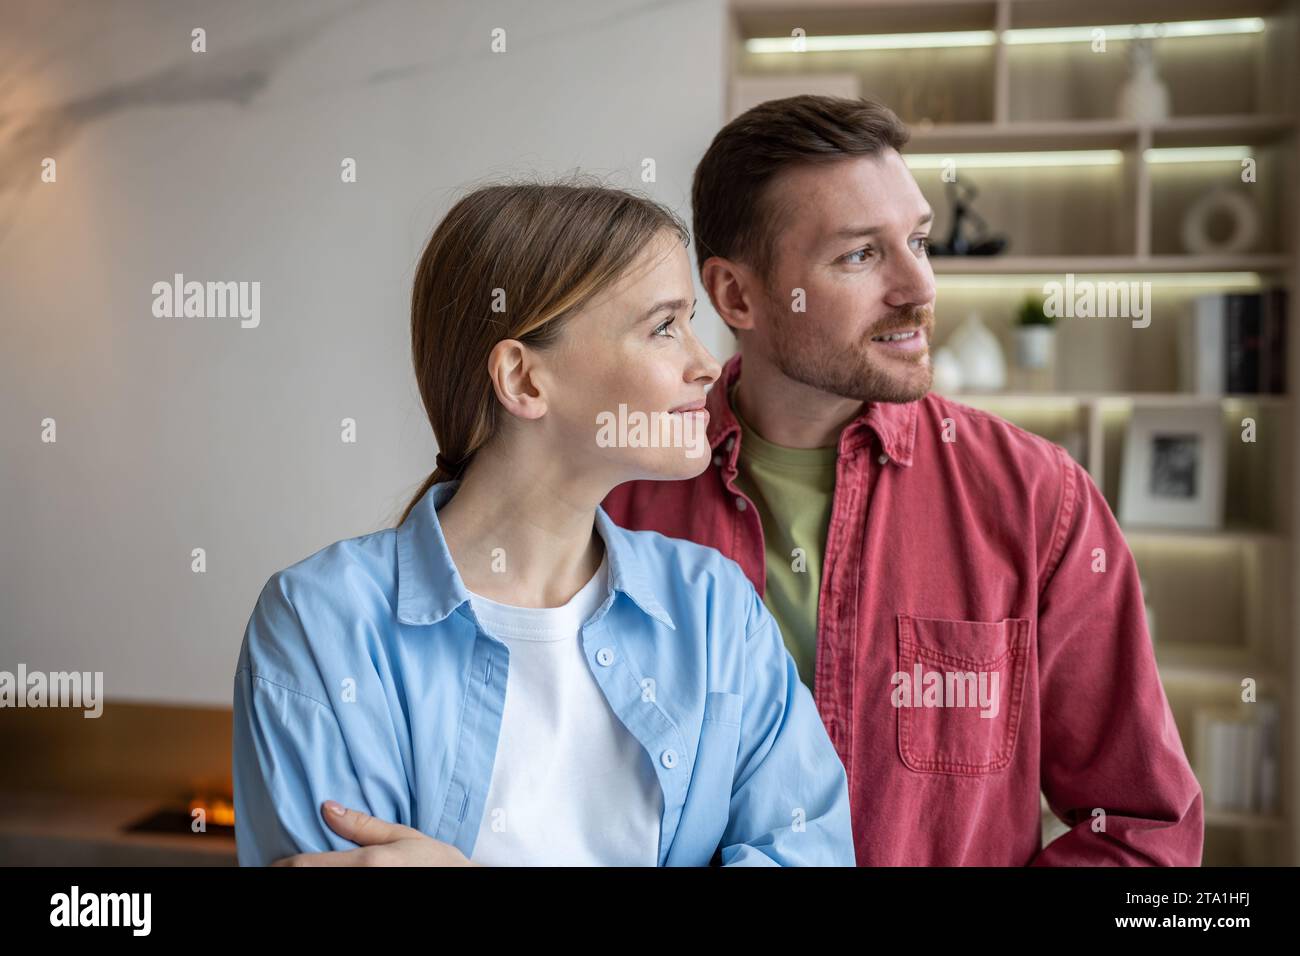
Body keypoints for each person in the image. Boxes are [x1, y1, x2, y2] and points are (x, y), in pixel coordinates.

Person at [602, 95, 1205, 866]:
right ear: (736, 296)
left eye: (917, 241)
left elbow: (1140, 828)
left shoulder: (1038, 500)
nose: (918, 289)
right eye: (860, 255)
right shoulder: (618, 497)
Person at [231, 180, 856, 866]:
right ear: (524, 380)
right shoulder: (319, 625)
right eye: (663, 327)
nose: (707, 364)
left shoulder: (715, 611)